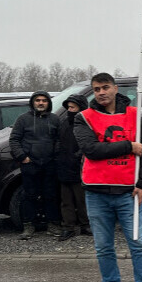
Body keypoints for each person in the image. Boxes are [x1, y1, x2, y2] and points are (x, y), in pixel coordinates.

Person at [74, 73, 142, 282]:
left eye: (105, 87)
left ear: (115, 88)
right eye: (96, 89)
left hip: (129, 191)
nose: (101, 92)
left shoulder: (136, 116)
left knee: (139, 245)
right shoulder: (84, 118)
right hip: (96, 192)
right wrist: (127, 146)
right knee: (103, 247)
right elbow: (91, 150)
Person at [10, 91, 62, 240]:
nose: (41, 103)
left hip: (49, 164)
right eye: (38, 100)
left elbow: (59, 140)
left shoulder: (55, 119)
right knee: (29, 196)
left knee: (51, 195)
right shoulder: (23, 119)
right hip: (30, 164)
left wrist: (55, 155)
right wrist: (22, 157)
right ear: (33, 102)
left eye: (44, 100)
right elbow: (14, 140)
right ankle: (28, 226)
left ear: (48, 103)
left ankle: (53, 224)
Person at [56, 95, 90, 240]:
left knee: (82, 199)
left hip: (80, 167)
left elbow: (89, 143)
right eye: (68, 107)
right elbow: (58, 141)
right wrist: (59, 155)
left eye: (72, 107)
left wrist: (78, 156)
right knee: (66, 200)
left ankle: (85, 225)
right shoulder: (63, 122)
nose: (69, 110)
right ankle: (68, 227)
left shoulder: (87, 123)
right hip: (64, 166)